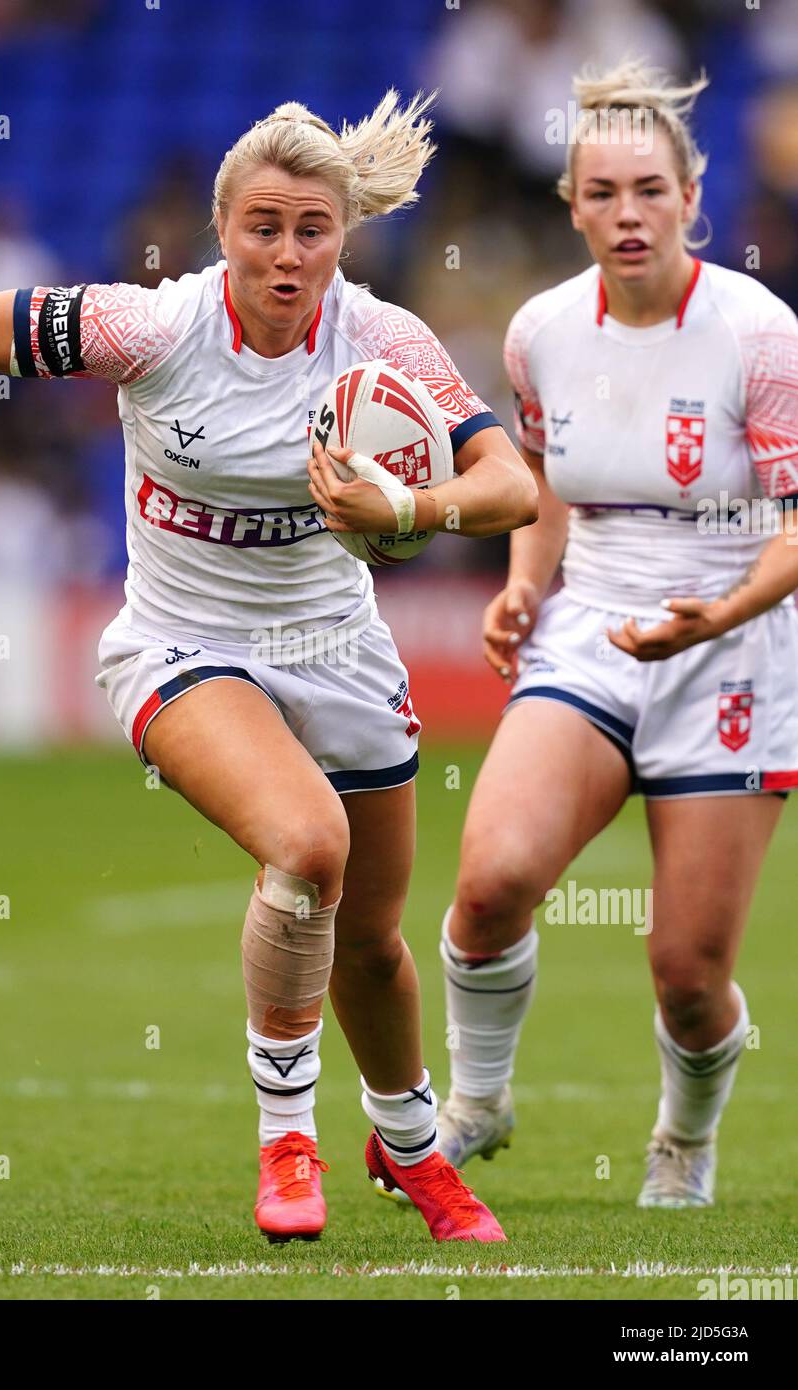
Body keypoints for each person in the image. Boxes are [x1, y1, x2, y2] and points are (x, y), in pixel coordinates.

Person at [0, 92, 537, 1243]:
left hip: (337, 648)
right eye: (263, 226)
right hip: (183, 646)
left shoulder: (383, 342)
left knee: (371, 940)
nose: (287, 253)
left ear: (342, 236)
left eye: (311, 230)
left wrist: (410, 504)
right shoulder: (150, 328)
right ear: (221, 228)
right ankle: (286, 1142)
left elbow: (511, 485)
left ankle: (413, 1148)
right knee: (305, 843)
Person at [433, 60, 798, 1209]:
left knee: (688, 976)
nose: (627, 214)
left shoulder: (761, 334)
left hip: (733, 641)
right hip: (592, 628)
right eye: (603, 193)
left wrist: (727, 611)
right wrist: (523, 584)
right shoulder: (542, 330)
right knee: (490, 883)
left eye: (650, 190)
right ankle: (478, 1103)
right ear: (572, 204)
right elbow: (542, 477)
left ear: (693, 196)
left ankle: (684, 1137)